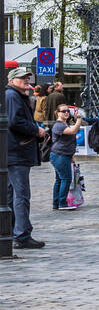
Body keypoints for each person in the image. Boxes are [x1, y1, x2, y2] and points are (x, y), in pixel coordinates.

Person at [6, 68, 45, 249]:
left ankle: (12, 231)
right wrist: (35, 130)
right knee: (21, 195)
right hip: (17, 152)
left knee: (12, 194)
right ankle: (21, 235)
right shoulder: (12, 96)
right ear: (12, 80)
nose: (26, 80)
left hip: (15, 151)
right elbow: (14, 121)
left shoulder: (15, 95)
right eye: (22, 78)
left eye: (27, 77)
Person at [49, 101, 82, 210]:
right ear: (58, 113)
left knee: (59, 179)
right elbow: (73, 131)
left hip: (62, 155)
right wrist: (79, 119)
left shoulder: (64, 124)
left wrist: (71, 156)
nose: (67, 113)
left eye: (68, 111)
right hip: (59, 155)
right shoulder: (58, 125)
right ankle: (62, 203)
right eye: (63, 111)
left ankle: (56, 203)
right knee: (66, 179)